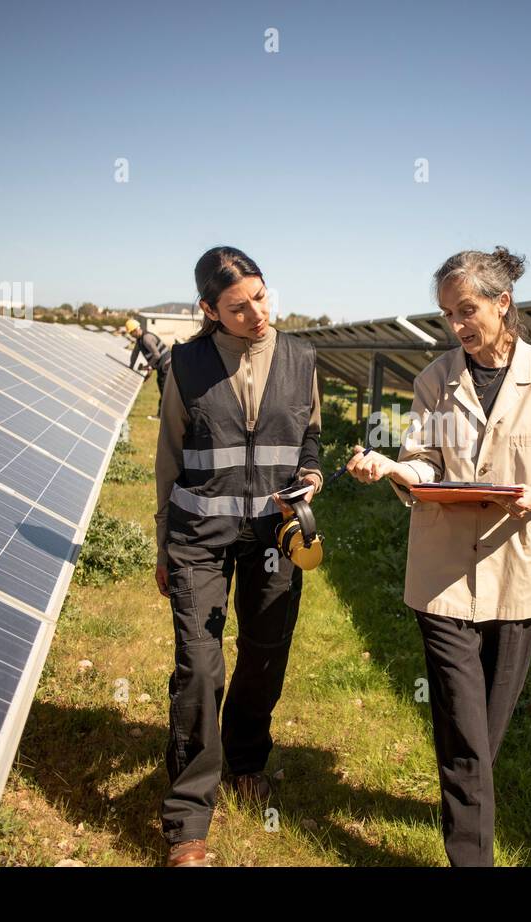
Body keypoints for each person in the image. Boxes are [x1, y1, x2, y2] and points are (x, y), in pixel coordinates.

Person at [347, 246, 531, 866]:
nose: (456, 325)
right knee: (461, 723)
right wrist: (392, 465)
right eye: (447, 314)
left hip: (516, 572)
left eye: (466, 310)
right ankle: (471, 857)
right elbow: (427, 460)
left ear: (502, 302)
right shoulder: (434, 379)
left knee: (483, 728)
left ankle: (465, 802)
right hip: (443, 575)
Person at [154, 247, 323, 867]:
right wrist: (161, 541)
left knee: (265, 652)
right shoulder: (187, 362)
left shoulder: (302, 357)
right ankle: (187, 820)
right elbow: (169, 454)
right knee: (200, 668)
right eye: (237, 306)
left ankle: (246, 757)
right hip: (199, 535)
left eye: (260, 296)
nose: (255, 313)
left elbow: (310, 435)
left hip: (275, 536)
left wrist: (312, 471)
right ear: (209, 310)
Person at [126, 318, 172, 416]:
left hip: (166, 365)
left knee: (164, 390)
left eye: (131, 333)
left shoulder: (146, 339)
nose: (131, 335)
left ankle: (162, 416)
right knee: (162, 387)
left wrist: (148, 366)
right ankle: (163, 415)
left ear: (135, 330)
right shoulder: (139, 340)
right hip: (163, 366)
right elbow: (135, 354)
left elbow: (157, 355)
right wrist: (131, 366)